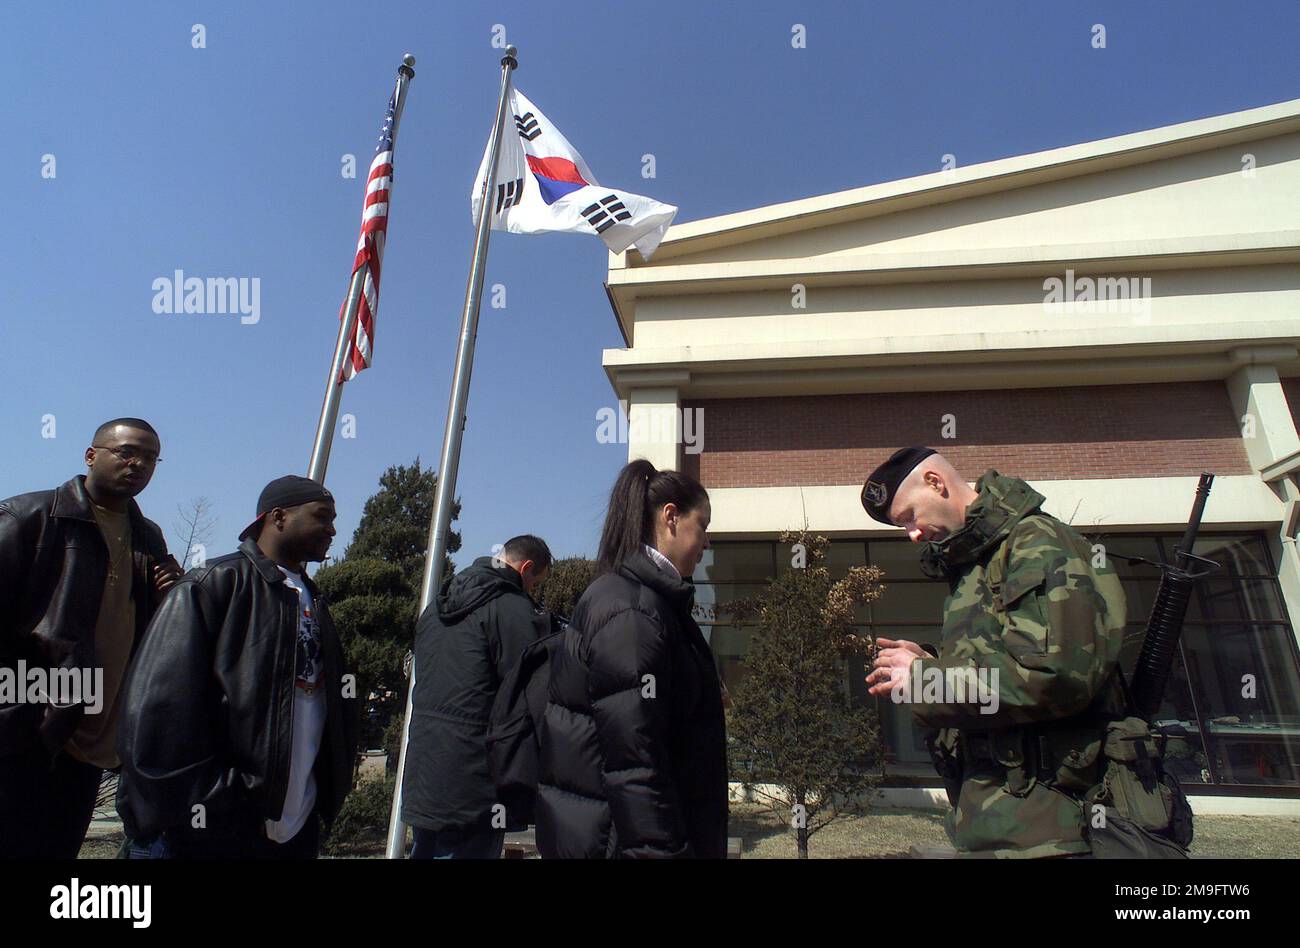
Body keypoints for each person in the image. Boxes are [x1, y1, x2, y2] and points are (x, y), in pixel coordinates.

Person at [861, 446, 1128, 858]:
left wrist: (924, 678)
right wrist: (930, 662)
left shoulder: (1034, 541)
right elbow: (998, 665)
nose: (912, 533)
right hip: (1001, 820)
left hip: (1052, 827)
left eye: (909, 517)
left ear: (935, 482)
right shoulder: (975, 563)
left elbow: (1055, 678)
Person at [117, 476, 357, 858]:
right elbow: (157, 717)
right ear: (278, 517)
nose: (332, 529)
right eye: (322, 517)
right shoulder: (213, 585)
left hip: (292, 831)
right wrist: (220, 800)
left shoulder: (314, 599)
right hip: (206, 834)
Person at [0, 418, 181, 859]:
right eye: (127, 452)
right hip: (27, 727)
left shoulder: (148, 535)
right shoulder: (29, 516)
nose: (138, 464)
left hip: (94, 738)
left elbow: (148, 632)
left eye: (151, 458)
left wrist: (173, 597)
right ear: (91, 455)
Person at [536, 459, 727, 858]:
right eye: (703, 526)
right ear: (670, 517)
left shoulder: (646, 601)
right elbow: (635, 760)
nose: (707, 543)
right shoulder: (633, 610)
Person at [401, 535, 553, 859]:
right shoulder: (513, 609)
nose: (533, 593)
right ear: (526, 568)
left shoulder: (437, 606)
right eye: (535, 584)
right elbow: (529, 696)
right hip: (476, 780)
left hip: (425, 771)